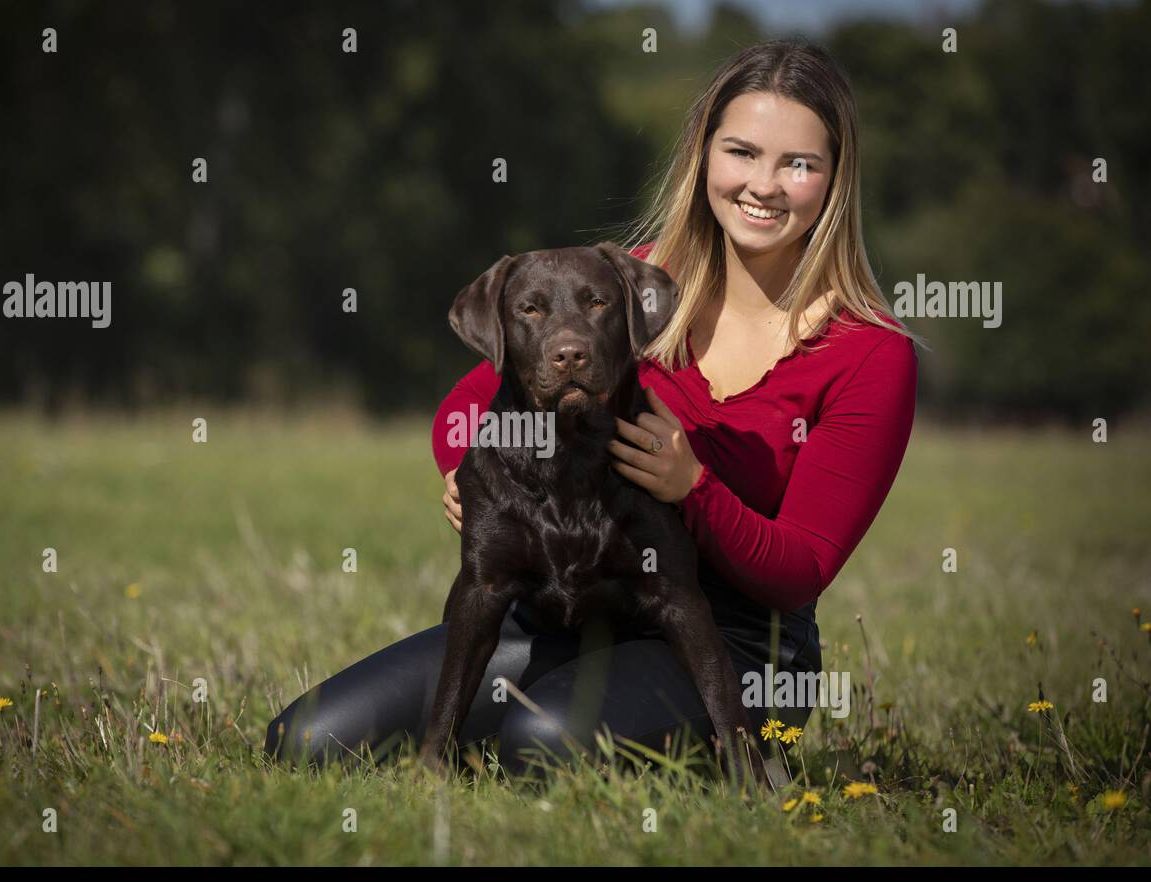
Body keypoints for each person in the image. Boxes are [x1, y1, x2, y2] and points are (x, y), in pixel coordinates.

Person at [265, 38, 924, 784]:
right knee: (311, 741)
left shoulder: (869, 353)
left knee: (539, 746)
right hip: (566, 608)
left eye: (798, 164)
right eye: (742, 152)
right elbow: (467, 403)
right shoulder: (634, 283)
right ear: (705, 156)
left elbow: (799, 570)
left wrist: (694, 490)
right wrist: (465, 473)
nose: (763, 185)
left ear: (835, 178)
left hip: (738, 642)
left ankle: (733, 755)